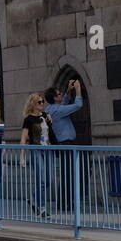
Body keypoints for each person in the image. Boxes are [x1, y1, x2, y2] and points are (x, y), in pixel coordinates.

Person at [44, 79, 84, 208]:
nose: (61, 94)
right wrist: (78, 89)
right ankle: (64, 202)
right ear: (55, 98)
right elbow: (77, 105)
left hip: (63, 143)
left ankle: (65, 201)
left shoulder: (50, 108)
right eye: (59, 93)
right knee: (68, 174)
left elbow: (64, 102)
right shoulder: (57, 110)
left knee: (66, 173)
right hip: (65, 143)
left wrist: (68, 90)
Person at [19, 92, 52, 218]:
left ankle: (33, 198)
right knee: (42, 180)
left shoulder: (45, 116)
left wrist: (50, 119)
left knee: (48, 180)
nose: (42, 104)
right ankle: (42, 208)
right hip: (36, 150)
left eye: (43, 101)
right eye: (39, 102)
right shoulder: (28, 119)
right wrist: (22, 157)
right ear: (33, 104)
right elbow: (23, 138)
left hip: (48, 149)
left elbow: (49, 132)